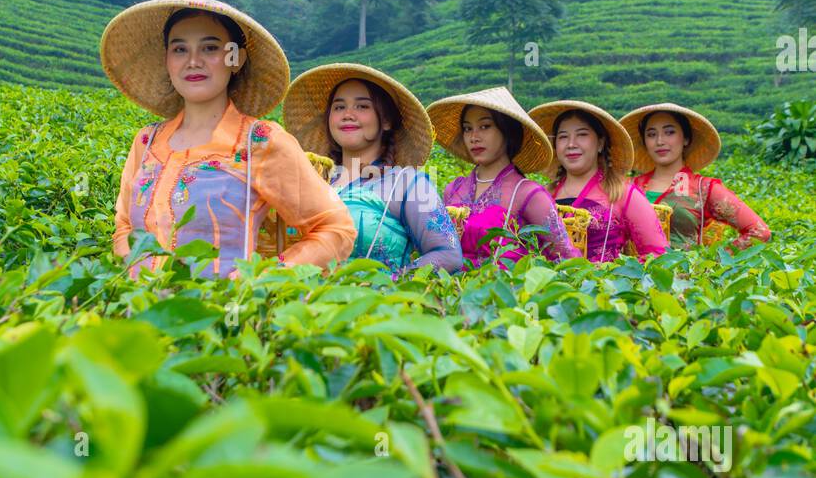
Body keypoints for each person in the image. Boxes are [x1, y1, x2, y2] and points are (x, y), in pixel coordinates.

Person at [100, 0, 356, 277]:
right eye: (180, 49)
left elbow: (335, 229)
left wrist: (260, 279)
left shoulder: (259, 141)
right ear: (167, 61)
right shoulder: (146, 142)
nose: (193, 61)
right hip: (138, 313)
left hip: (222, 314)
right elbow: (124, 227)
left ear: (236, 59)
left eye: (210, 48)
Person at [283, 62, 462, 276]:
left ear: (385, 120)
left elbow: (448, 255)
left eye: (362, 106)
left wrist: (394, 283)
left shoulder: (407, 183)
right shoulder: (314, 182)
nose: (348, 114)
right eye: (339, 107)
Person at [426, 85, 580, 266]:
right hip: (451, 292)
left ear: (507, 131)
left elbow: (564, 255)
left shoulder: (528, 194)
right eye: (468, 129)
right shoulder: (454, 190)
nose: (474, 137)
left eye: (485, 126)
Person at [529, 100, 669, 262]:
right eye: (563, 137)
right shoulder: (543, 196)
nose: (571, 144)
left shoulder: (622, 194)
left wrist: (616, 274)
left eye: (582, 135)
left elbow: (660, 256)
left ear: (600, 143)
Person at [620, 103, 771, 248]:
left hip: (684, 274)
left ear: (685, 139)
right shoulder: (627, 187)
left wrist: (717, 260)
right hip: (631, 273)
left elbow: (759, 231)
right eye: (651, 134)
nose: (660, 141)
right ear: (645, 142)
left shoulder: (703, 188)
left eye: (669, 132)